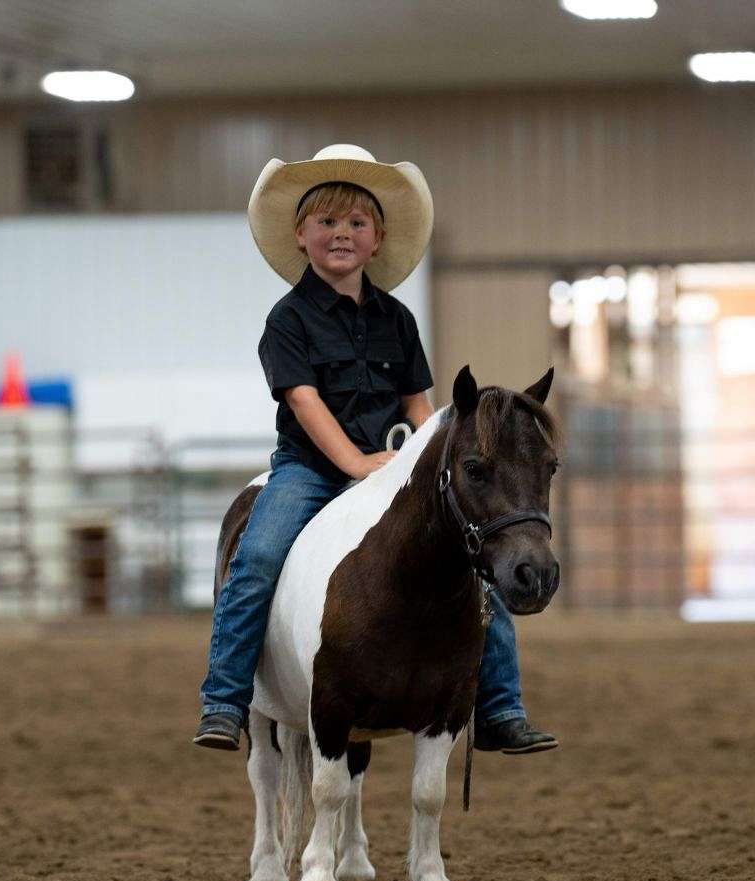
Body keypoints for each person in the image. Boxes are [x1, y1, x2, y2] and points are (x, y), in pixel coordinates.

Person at [195, 144, 557, 756]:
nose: (342, 234)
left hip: (393, 468)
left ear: (378, 236)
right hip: (310, 469)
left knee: (476, 562)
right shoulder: (287, 321)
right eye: (328, 222)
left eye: (356, 223)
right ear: (301, 234)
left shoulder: (397, 319)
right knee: (257, 557)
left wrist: (423, 452)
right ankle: (225, 698)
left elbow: (419, 401)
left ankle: (499, 707)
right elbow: (305, 403)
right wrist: (359, 465)